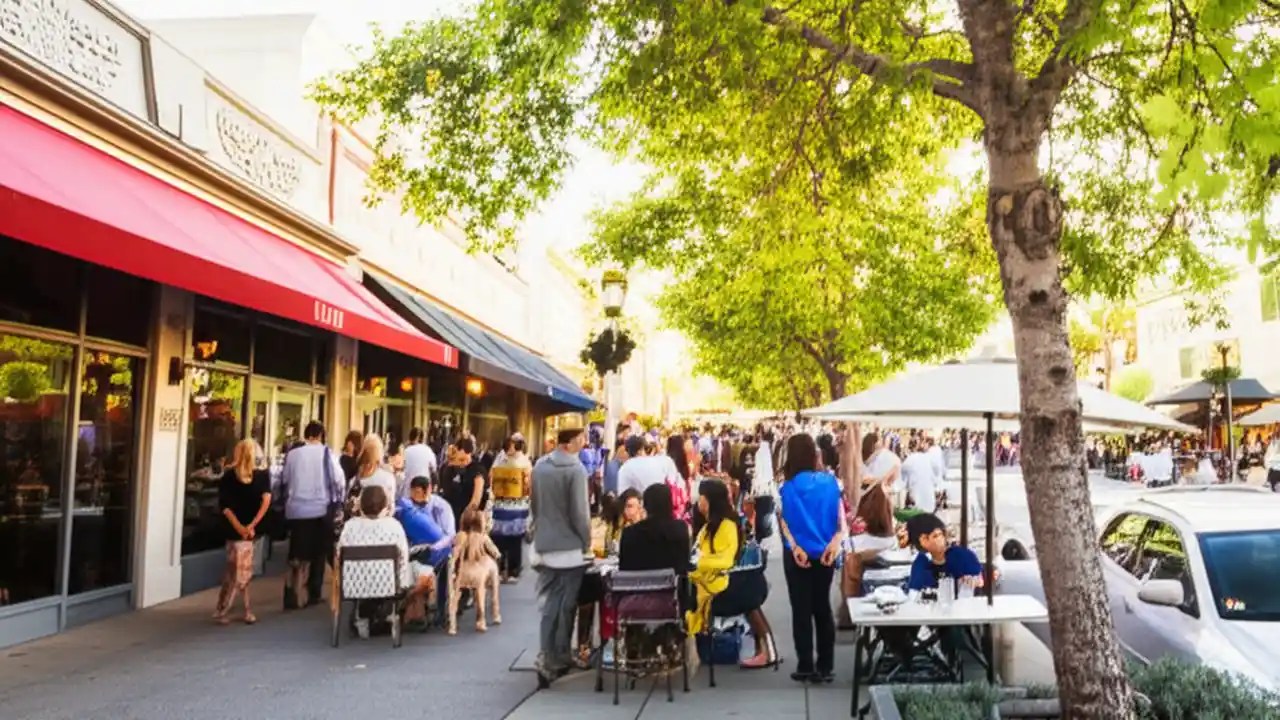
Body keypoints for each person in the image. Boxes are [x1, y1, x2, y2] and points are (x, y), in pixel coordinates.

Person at [778, 433, 845, 684]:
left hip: (797, 554)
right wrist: (834, 543)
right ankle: (826, 665)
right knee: (822, 607)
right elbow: (841, 520)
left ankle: (805, 663)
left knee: (801, 609)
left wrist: (794, 546)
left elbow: (783, 521)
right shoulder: (830, 483)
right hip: (825, 552)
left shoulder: (787, 487)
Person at [530, 428, 592, 688]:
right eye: (580, 439)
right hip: (569, 549)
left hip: (545, 544)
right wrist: (587, 540)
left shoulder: (540, 467)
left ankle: (546, 652)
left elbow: (534, 504)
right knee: (566, 605)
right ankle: (558, 657)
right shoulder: (575, 470)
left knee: (549, 603)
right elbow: (580, 513)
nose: (584, 442)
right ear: (569, 444)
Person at [338, 486, 436, 638]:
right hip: (390, 583)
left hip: (354, 583)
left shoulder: (349, 527)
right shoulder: (393, 526)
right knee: (426, 573)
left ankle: (365, 615)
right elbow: (403, 556)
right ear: (385, 505)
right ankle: (397, 611)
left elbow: (339, 554)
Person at [280, 421, 345, 609]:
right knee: (318, 552)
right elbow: (338, 480)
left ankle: (291, 590)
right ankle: (313, 593)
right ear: (321, 435)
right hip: (319, 509)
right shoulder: (327, 453)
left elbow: (284, 478)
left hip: (296, 510)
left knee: (296, 553)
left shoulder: (292, 455)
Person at [214, 439, 271, 625]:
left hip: (240, 531)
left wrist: (243, 527)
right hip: (245, 532)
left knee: (238, 569)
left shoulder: (230, 477)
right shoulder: (259, 476)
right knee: (239, 570)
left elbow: (226, 507)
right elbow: (266, 502)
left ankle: (227, 608)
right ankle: (237, 609)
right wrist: (250, 526)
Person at [685, 480, 740, 636]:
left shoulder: (727, 526)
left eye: (701, 497)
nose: (698, 501)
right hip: (701, 579)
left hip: (715, 583)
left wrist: (697, 564)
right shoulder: (707, 527)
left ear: (710, 500)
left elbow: (726, 560)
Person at [490, 435, 533, 583]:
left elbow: (528, 483)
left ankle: (514, 570)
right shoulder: (499, 459)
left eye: (512, 445)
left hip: (517, 505)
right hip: (501, 505)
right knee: (499, 539)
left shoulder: (524, 461)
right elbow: (492, 476)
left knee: (515, 539)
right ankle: (501, 569)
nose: (510, 448)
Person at [905, 513, 984, 593]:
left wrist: (974, 579)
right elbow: (914, 591)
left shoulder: (961, 555)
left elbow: (979, 579)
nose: (939, 540)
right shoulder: (921, 562)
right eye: (925, 538)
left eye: (939, 535)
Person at [441, 436, 488, 526]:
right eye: (460, 459)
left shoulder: (477, 470)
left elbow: (476, 499)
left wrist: (465, 517)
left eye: (464, 459)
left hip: (468, 519)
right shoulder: (450, 469)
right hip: (450, 515)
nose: (463, 463)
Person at [351, 435, 397, 514]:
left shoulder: (358, 474)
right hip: (382, 519)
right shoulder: (388, 476)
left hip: (361, 519)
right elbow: (391, 506)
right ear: (381, 451)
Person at [900, 439, 937, 513]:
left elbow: (901, 475)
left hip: (915, 499)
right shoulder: (930, 460)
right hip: (930, 501)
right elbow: (935, 480)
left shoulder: (910, 459)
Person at [401, 427, 439, 498]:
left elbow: (401, 470)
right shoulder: (428, 451)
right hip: (424, 489)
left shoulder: (406, 451)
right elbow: (434, 469)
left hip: (408, 490)